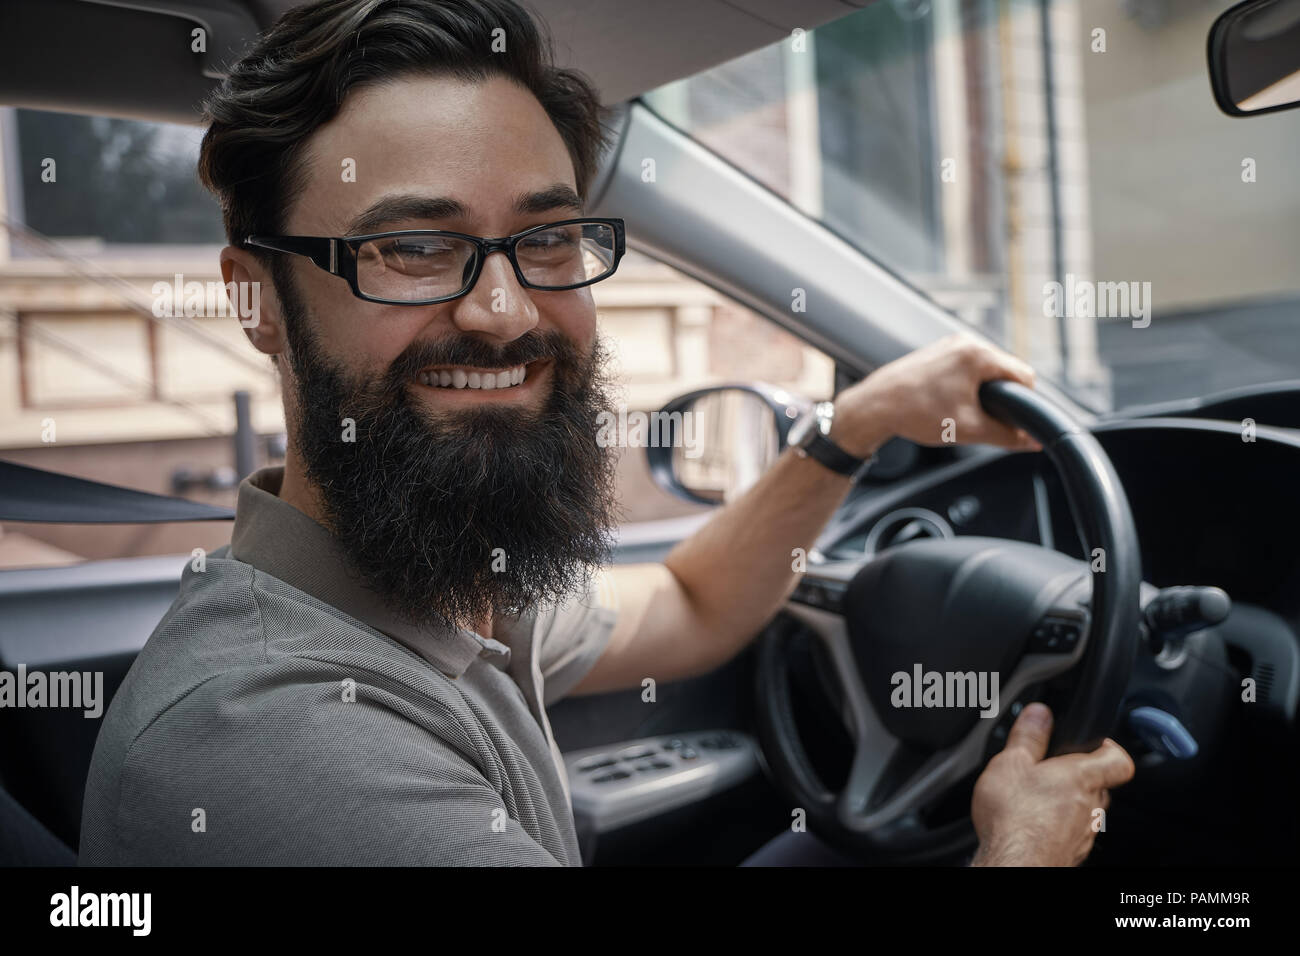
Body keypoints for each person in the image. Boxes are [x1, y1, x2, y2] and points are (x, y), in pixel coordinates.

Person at [79, 0, 1133, 866]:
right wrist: (1019, 853)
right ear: (257, 297)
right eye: (411, 245)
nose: (503, 309)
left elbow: (689, 602)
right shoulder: (275, 744)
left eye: (546, 237)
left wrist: (849, 426)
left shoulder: (437, 571)